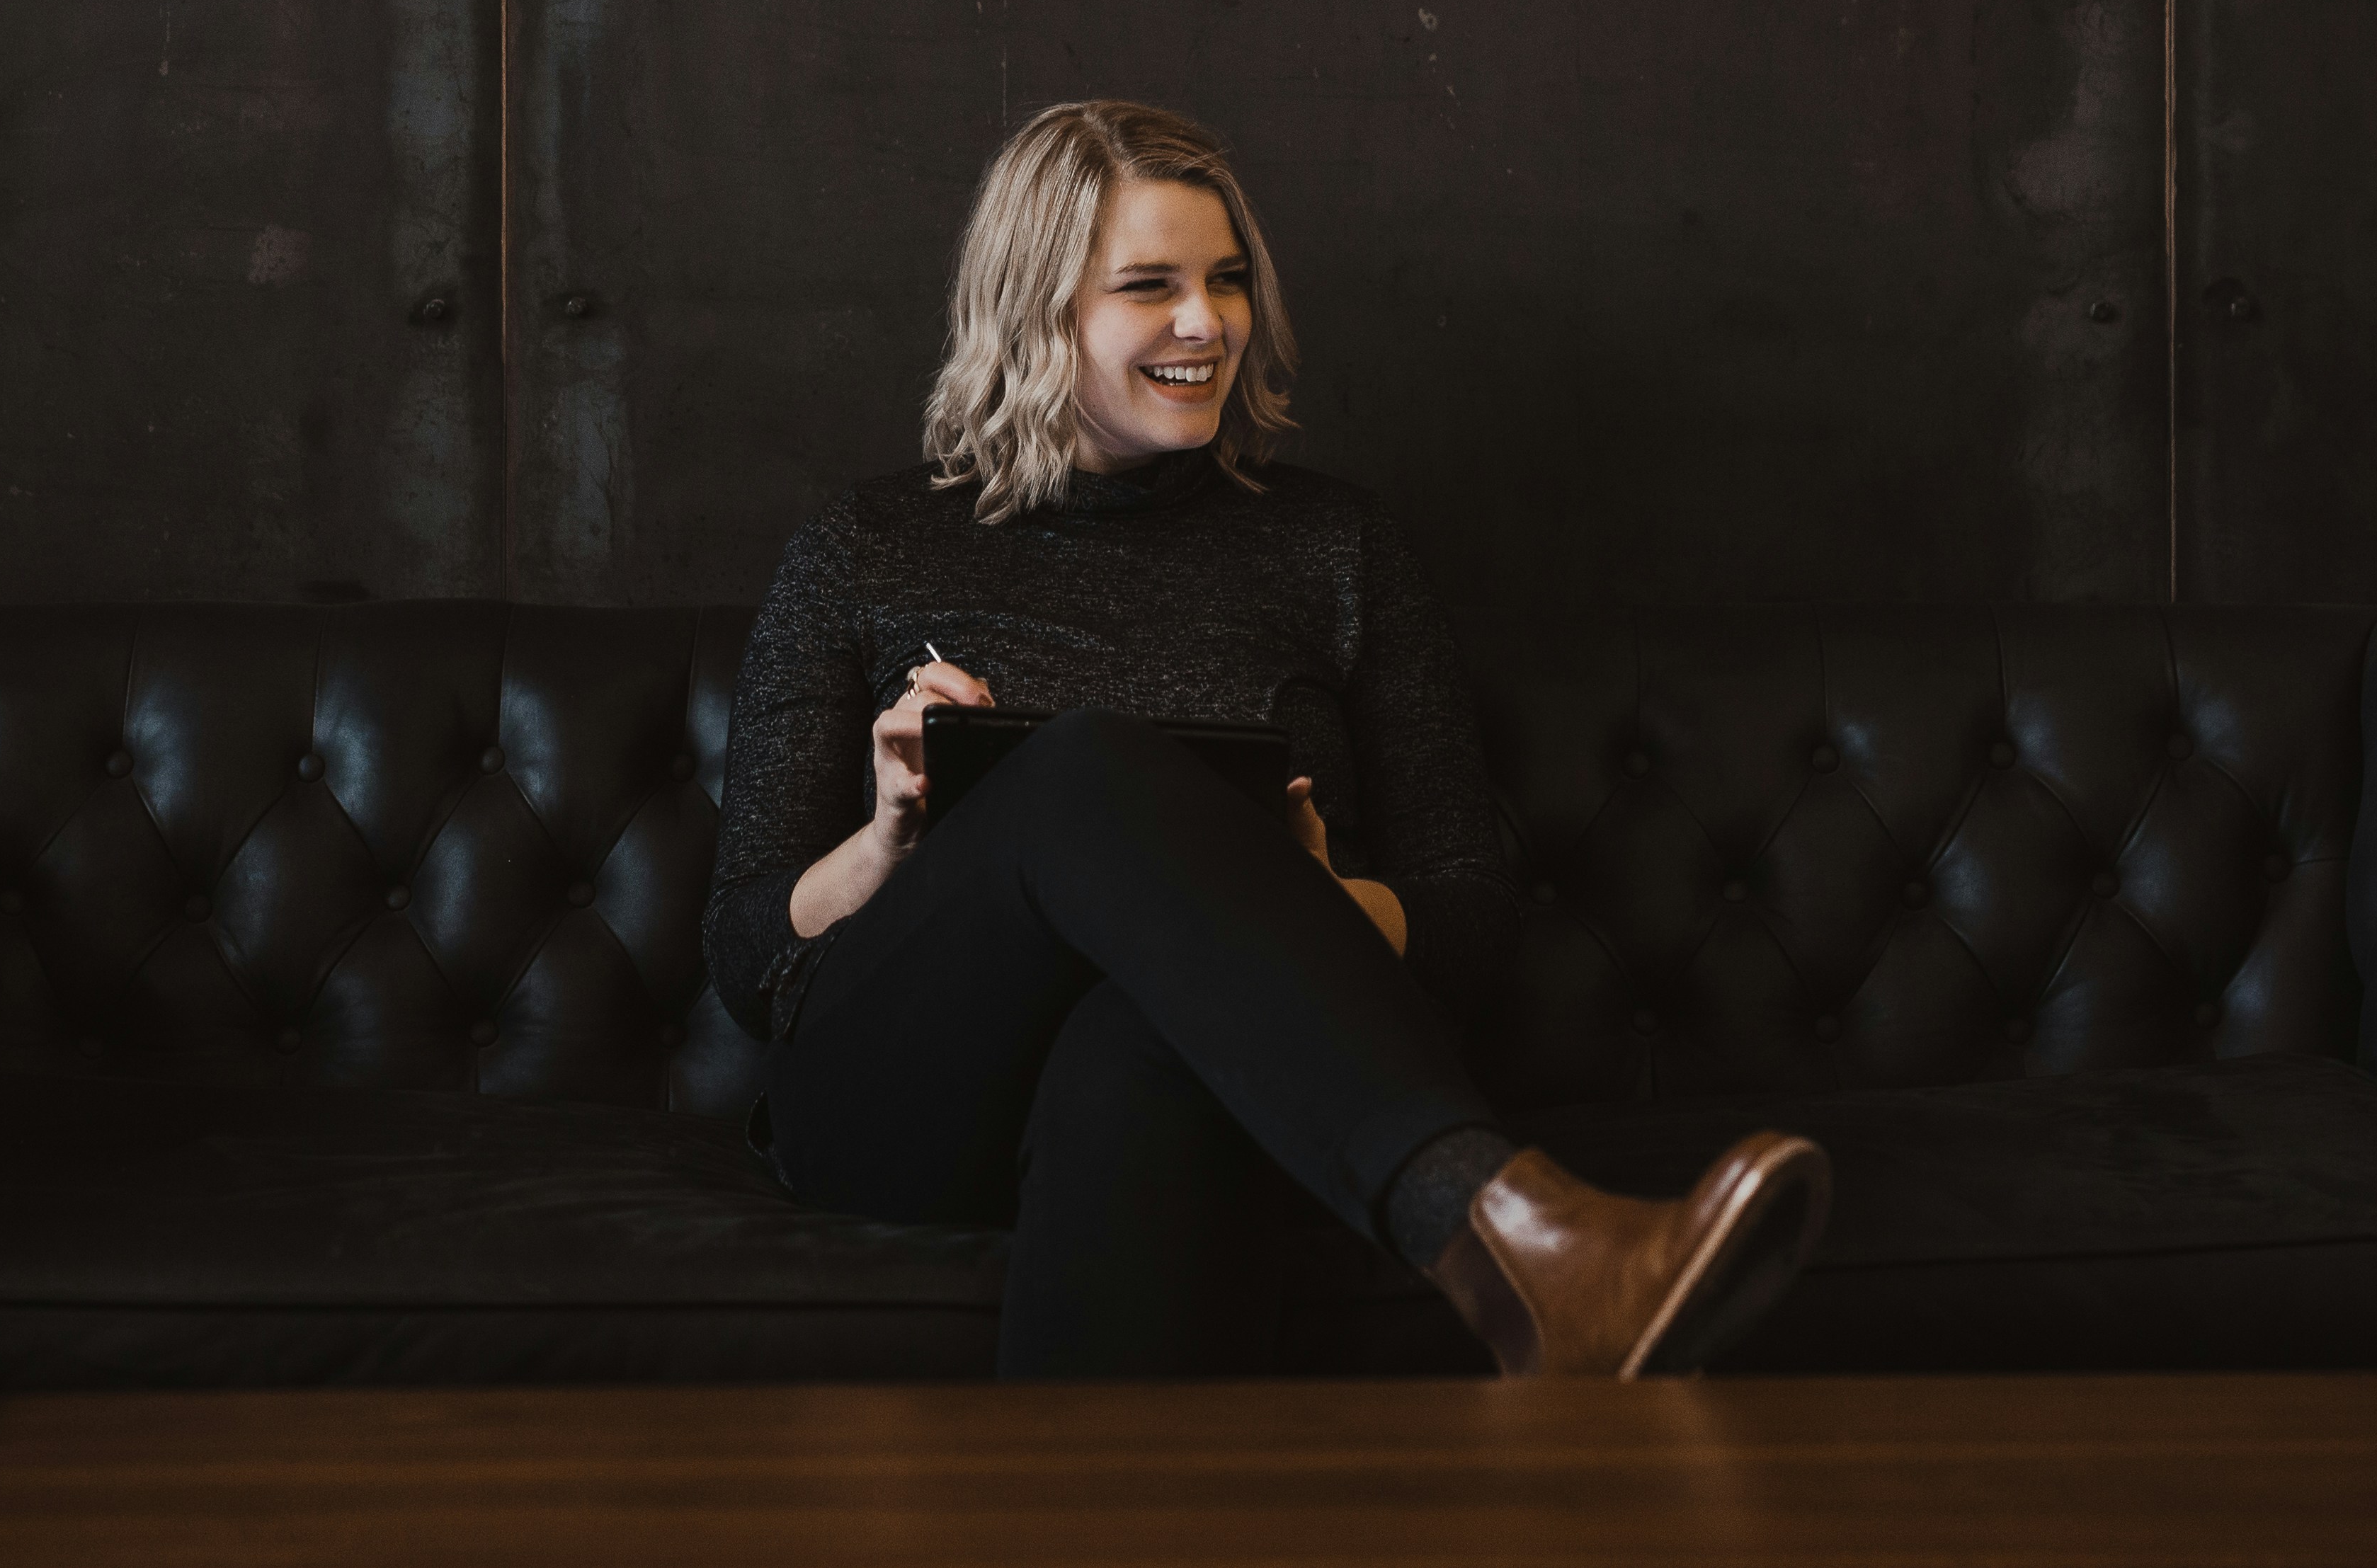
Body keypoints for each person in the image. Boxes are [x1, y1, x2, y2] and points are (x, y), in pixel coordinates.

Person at [701, 98, 1828, 1378]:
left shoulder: (1337, 548)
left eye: (1226, 281)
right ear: (1034, 309)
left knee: (1149, 1035)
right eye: (1151, 287)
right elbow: (745, 955)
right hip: (903, 1101)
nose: (1207, 324)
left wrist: (1311, 897)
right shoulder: (863, 548)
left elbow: (1467, 918)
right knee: (1083, 767)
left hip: (1219, 1084)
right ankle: (1499, 1225)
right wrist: (890, 834)